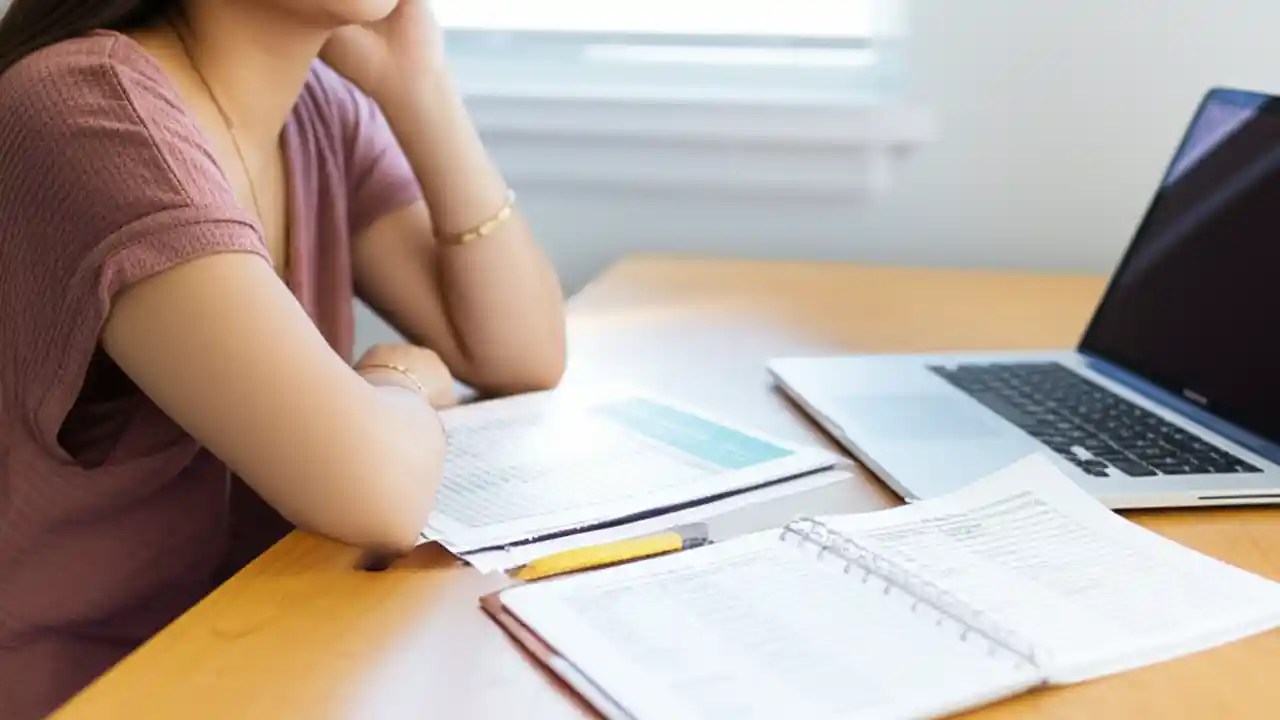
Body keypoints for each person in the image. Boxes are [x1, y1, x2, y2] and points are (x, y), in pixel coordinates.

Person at [0, 0, 566, 715]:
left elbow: (521, 351)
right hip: (89, 692)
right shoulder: (89, 113)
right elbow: (375, 490)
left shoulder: (315, 113)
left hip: (258, 656)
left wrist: (419, 87)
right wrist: (400, 380)